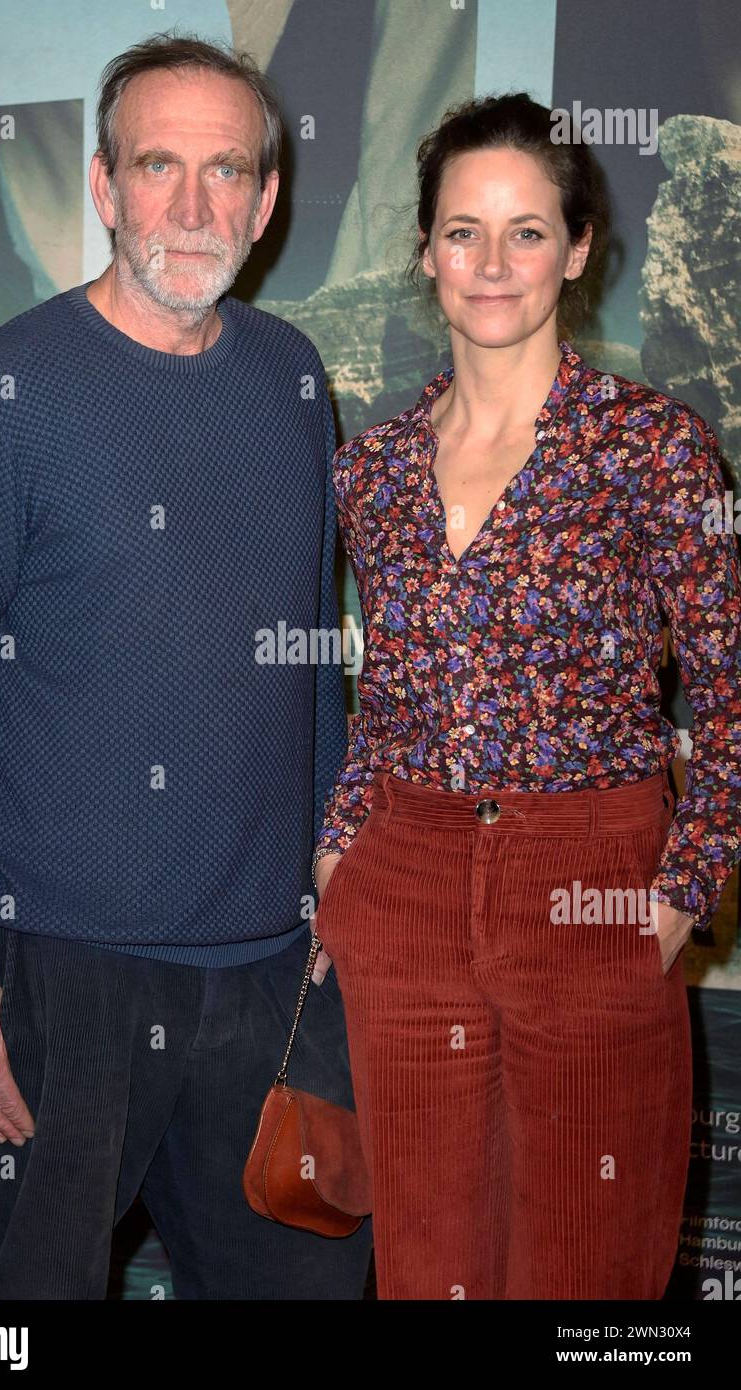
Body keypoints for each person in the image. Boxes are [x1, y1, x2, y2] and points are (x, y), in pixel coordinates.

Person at [0, 32, 372, 1300]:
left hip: (270, 976)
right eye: (161, 165)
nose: (194, 205)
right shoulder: (1, 396)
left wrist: (334, 877)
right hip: (54, 989)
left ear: (268, 203)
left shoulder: (292, 384)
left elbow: (310, 667)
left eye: (228, 172)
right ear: (104, 187)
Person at [310, 92, 741, 1301]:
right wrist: (343, 858)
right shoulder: (376, 469)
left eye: (527, 231)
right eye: (462, 232)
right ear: (425, 251)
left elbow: (731, 686)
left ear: (581, 246)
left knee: (587, 1276)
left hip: (594, 886)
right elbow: (385, 691)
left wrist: (678, 891)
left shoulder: (652, 446)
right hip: (405, 891)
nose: (492, 264)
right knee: (429, 1271)